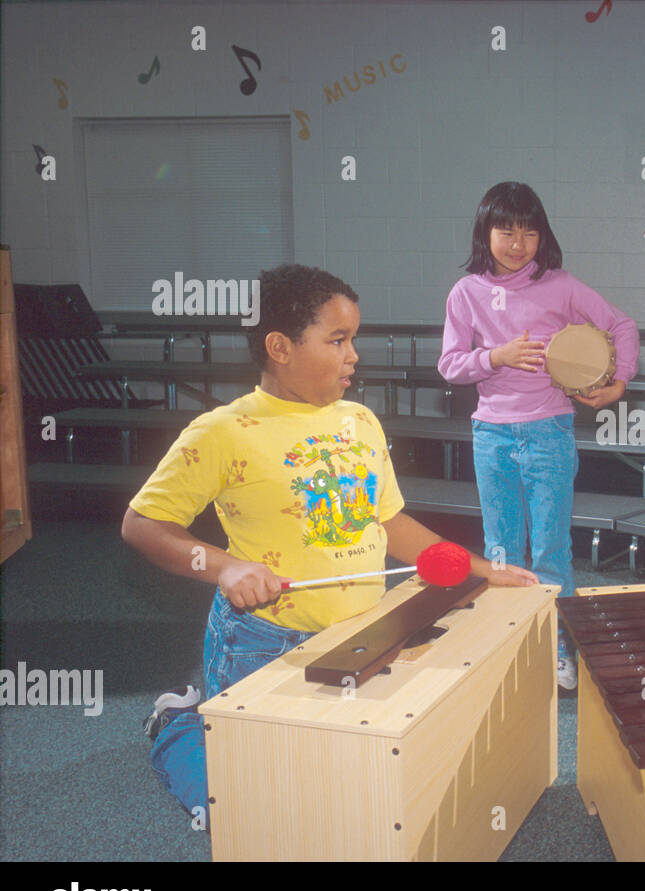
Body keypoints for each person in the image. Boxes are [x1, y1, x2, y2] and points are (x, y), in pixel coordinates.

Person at [123, 264, 536, 820]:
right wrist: (224, 568)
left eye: (353, 340)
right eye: (337, 340)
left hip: (359, 631)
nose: (353, 355)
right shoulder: (224, 431)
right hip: (264, 641)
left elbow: (390, 522)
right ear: (280, 347)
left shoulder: (361, 421)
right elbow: (143, 524)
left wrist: (482, 569)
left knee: (341, 794)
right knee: (249, 813)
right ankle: (177, 725)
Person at [439, 182, 640, 689]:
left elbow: (622, 326)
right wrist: (495, 357)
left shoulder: (562, 286)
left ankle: (558, 649)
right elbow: (449, 364)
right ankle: (507, 647)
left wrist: (618, 385)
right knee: (502, 550)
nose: (517, 242)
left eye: (529, 231)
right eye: (506, 230)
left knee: (550, 550)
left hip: (549, 433)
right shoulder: (466, 292)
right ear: (486, 232)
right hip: (491, 436)